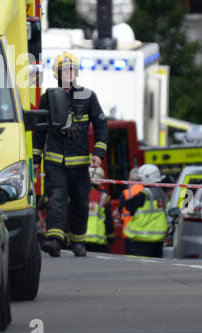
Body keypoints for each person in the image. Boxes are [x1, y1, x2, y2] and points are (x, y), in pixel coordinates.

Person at [34, 51, 108, 258]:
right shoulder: (48, 98)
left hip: (79, 162)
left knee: (80, 201)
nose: (68, 73)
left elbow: (101, 124)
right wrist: (36, 159)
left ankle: (78, 242)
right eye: (64, 70)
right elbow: (40, 129)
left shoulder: (88, 96)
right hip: (55, 162)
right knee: (56, 199)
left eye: (71, 70)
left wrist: (99, 153)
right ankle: (55, 241)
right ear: (57, 73)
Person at [121, 164, 169, 256]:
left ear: (147, 177)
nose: (140, 181)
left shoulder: (145, 194)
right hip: (158, 240)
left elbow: (129, 205)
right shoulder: (162, 194)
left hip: (142, 240)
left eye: (140, 178)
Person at [85, 167, 112, 252]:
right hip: (98, 242)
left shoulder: (77, 194)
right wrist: (111, 236)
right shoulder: (103, 197)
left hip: (79, 240)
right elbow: (108, 220)